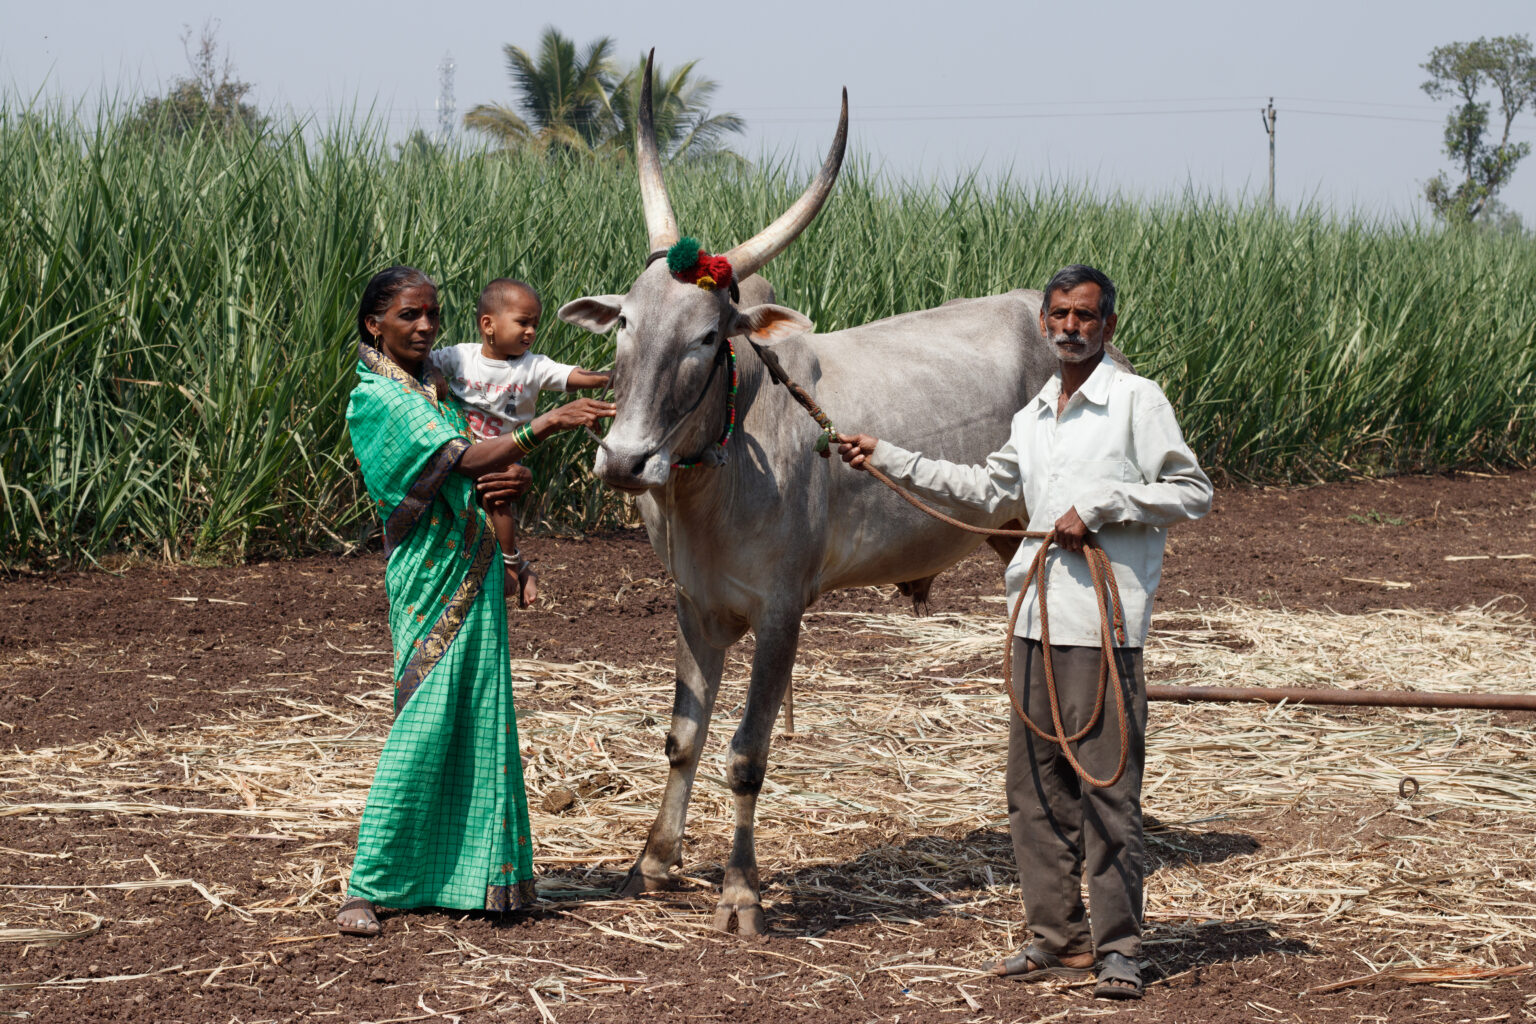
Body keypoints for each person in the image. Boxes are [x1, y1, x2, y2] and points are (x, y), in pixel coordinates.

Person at [837, 265, 1211, 1000]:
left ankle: (1120, 951)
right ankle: (1056, 938)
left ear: (1109, 326)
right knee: (1034, 795)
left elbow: (1191, 491)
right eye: (1061, 316)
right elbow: (988, 490)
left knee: (1107, 791)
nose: (1072, 327)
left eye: (1086, 316)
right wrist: (886, 456)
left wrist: (1101, 504)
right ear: (1044, 324)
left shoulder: (1136, 401)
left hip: (1101, 630)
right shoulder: (1037, 412)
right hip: (1033, 621)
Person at [337, 266, 614, 937]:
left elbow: (486, 459)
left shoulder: (433, 386)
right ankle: (366, 887)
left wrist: (510, 474)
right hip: (431, 576)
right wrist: (542, 428)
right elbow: (460, 457)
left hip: (477, 562)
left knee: (479, 715)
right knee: (425, 719)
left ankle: (473, 878)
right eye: (409, 315)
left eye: (432, 314)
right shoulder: (379, 400)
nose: (426, 326)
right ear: (375, 323)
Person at [430, 279, 611, 608]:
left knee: (499, 502)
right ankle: (515, 567)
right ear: (488, 324)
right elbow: (424, 363)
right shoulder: (459, 357)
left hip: (501, 455)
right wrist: (435, 376)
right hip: (462, 451)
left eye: (535, 325)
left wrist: (606, 379)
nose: (530, 332)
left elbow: (572, 376)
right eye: (522, 322)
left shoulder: (533, 366)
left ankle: (511, 562)